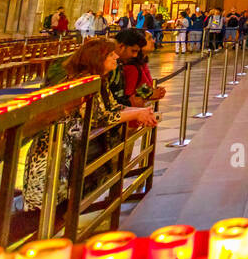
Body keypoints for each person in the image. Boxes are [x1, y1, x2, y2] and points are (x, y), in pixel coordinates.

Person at [22, 37, 157, 213]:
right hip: (56, 150)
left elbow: (112, 106)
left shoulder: (99, 79)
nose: (116, 56)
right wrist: (137, 113)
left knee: (64, 203)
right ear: (97, 58)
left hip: (69, 148)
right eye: (110, 54)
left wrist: (139, 113)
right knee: (48, 208)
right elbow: (99, 117)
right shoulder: (85, 80)